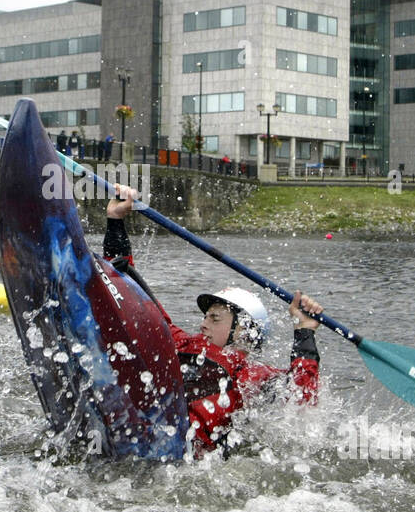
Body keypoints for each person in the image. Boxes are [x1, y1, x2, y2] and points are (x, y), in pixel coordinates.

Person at [104, 186, 322, 454]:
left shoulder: (249, 375)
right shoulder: (183, 341)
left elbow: (300, 396)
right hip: (141, 425)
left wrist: (304, 330)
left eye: (215, 318)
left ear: (244, 331)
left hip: (184, 455)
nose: (203, 324)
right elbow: (129, 296)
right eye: (205, 316)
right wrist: (115, 222)